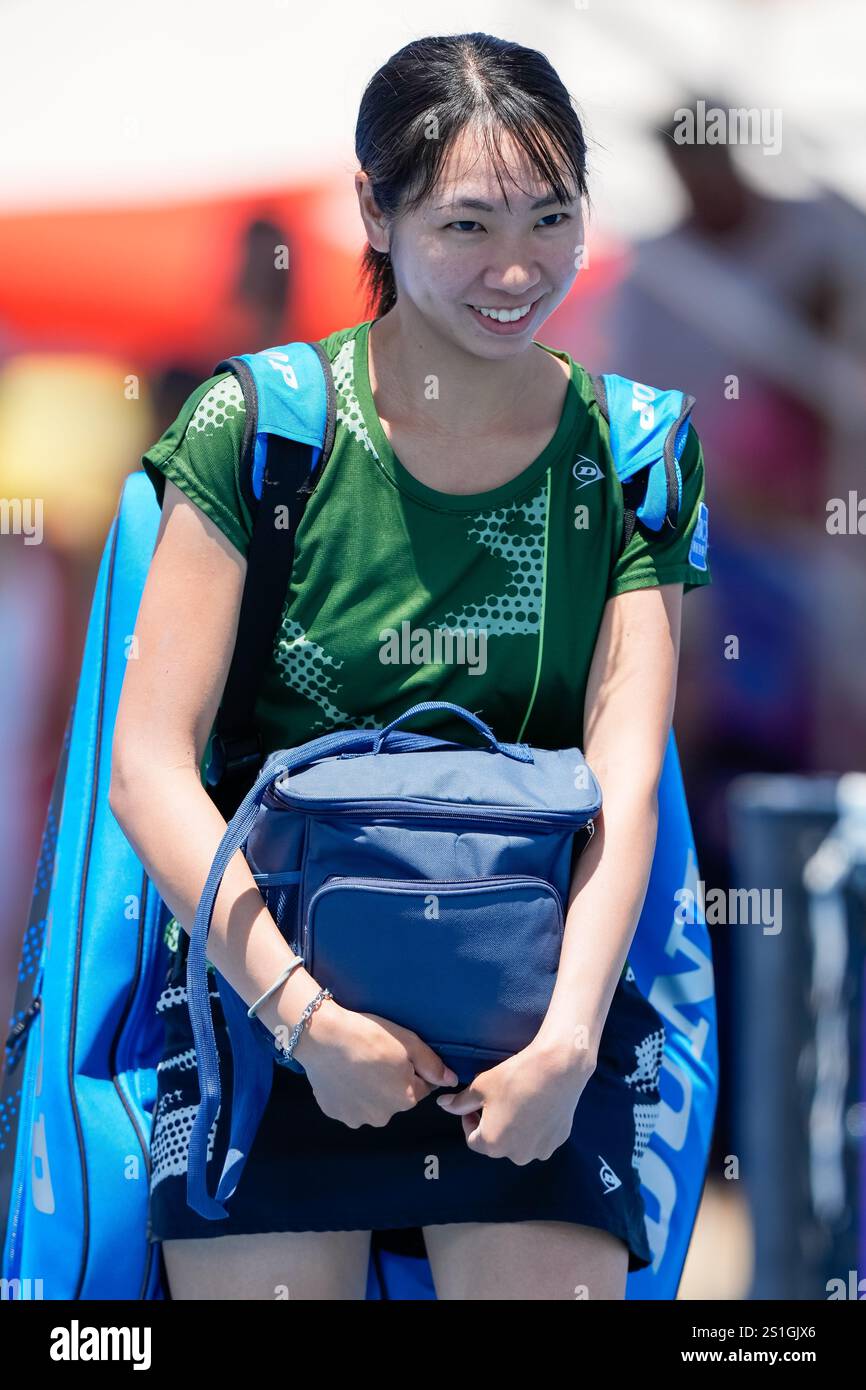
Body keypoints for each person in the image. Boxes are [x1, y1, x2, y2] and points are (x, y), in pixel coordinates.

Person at [109, 32, 711, 1301]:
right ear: (371, 211)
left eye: (552, 218)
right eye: (465, 224)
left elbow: (626, 782)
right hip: (265, 996)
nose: (516, 268)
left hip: (538, 1004)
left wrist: (565, 1043)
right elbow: (149, 768)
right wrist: (303, 1022)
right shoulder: (262, 429)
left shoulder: (640, 449)